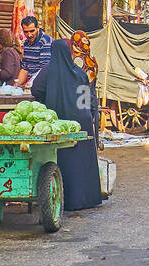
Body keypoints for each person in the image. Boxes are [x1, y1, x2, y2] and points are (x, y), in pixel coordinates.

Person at [31, 39, 103, 210]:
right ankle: (87, 199)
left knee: (63, 161)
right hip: (81, 121)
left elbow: (36, 91)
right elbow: (85, 101)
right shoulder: (79, 73)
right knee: (82, 162)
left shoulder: (47, 72)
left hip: (60, 122)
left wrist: (51, 99)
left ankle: (64, 200)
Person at [14, 16, 52, 89]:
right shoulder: (26, 43)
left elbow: (45, 69)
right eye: (26, 32)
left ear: (37, 28)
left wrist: (30, 84)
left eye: (32, 31)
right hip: (32, 84)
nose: (29, 35)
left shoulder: (46, 42)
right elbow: (25, 68)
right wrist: (16, 86)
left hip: (43, 84)